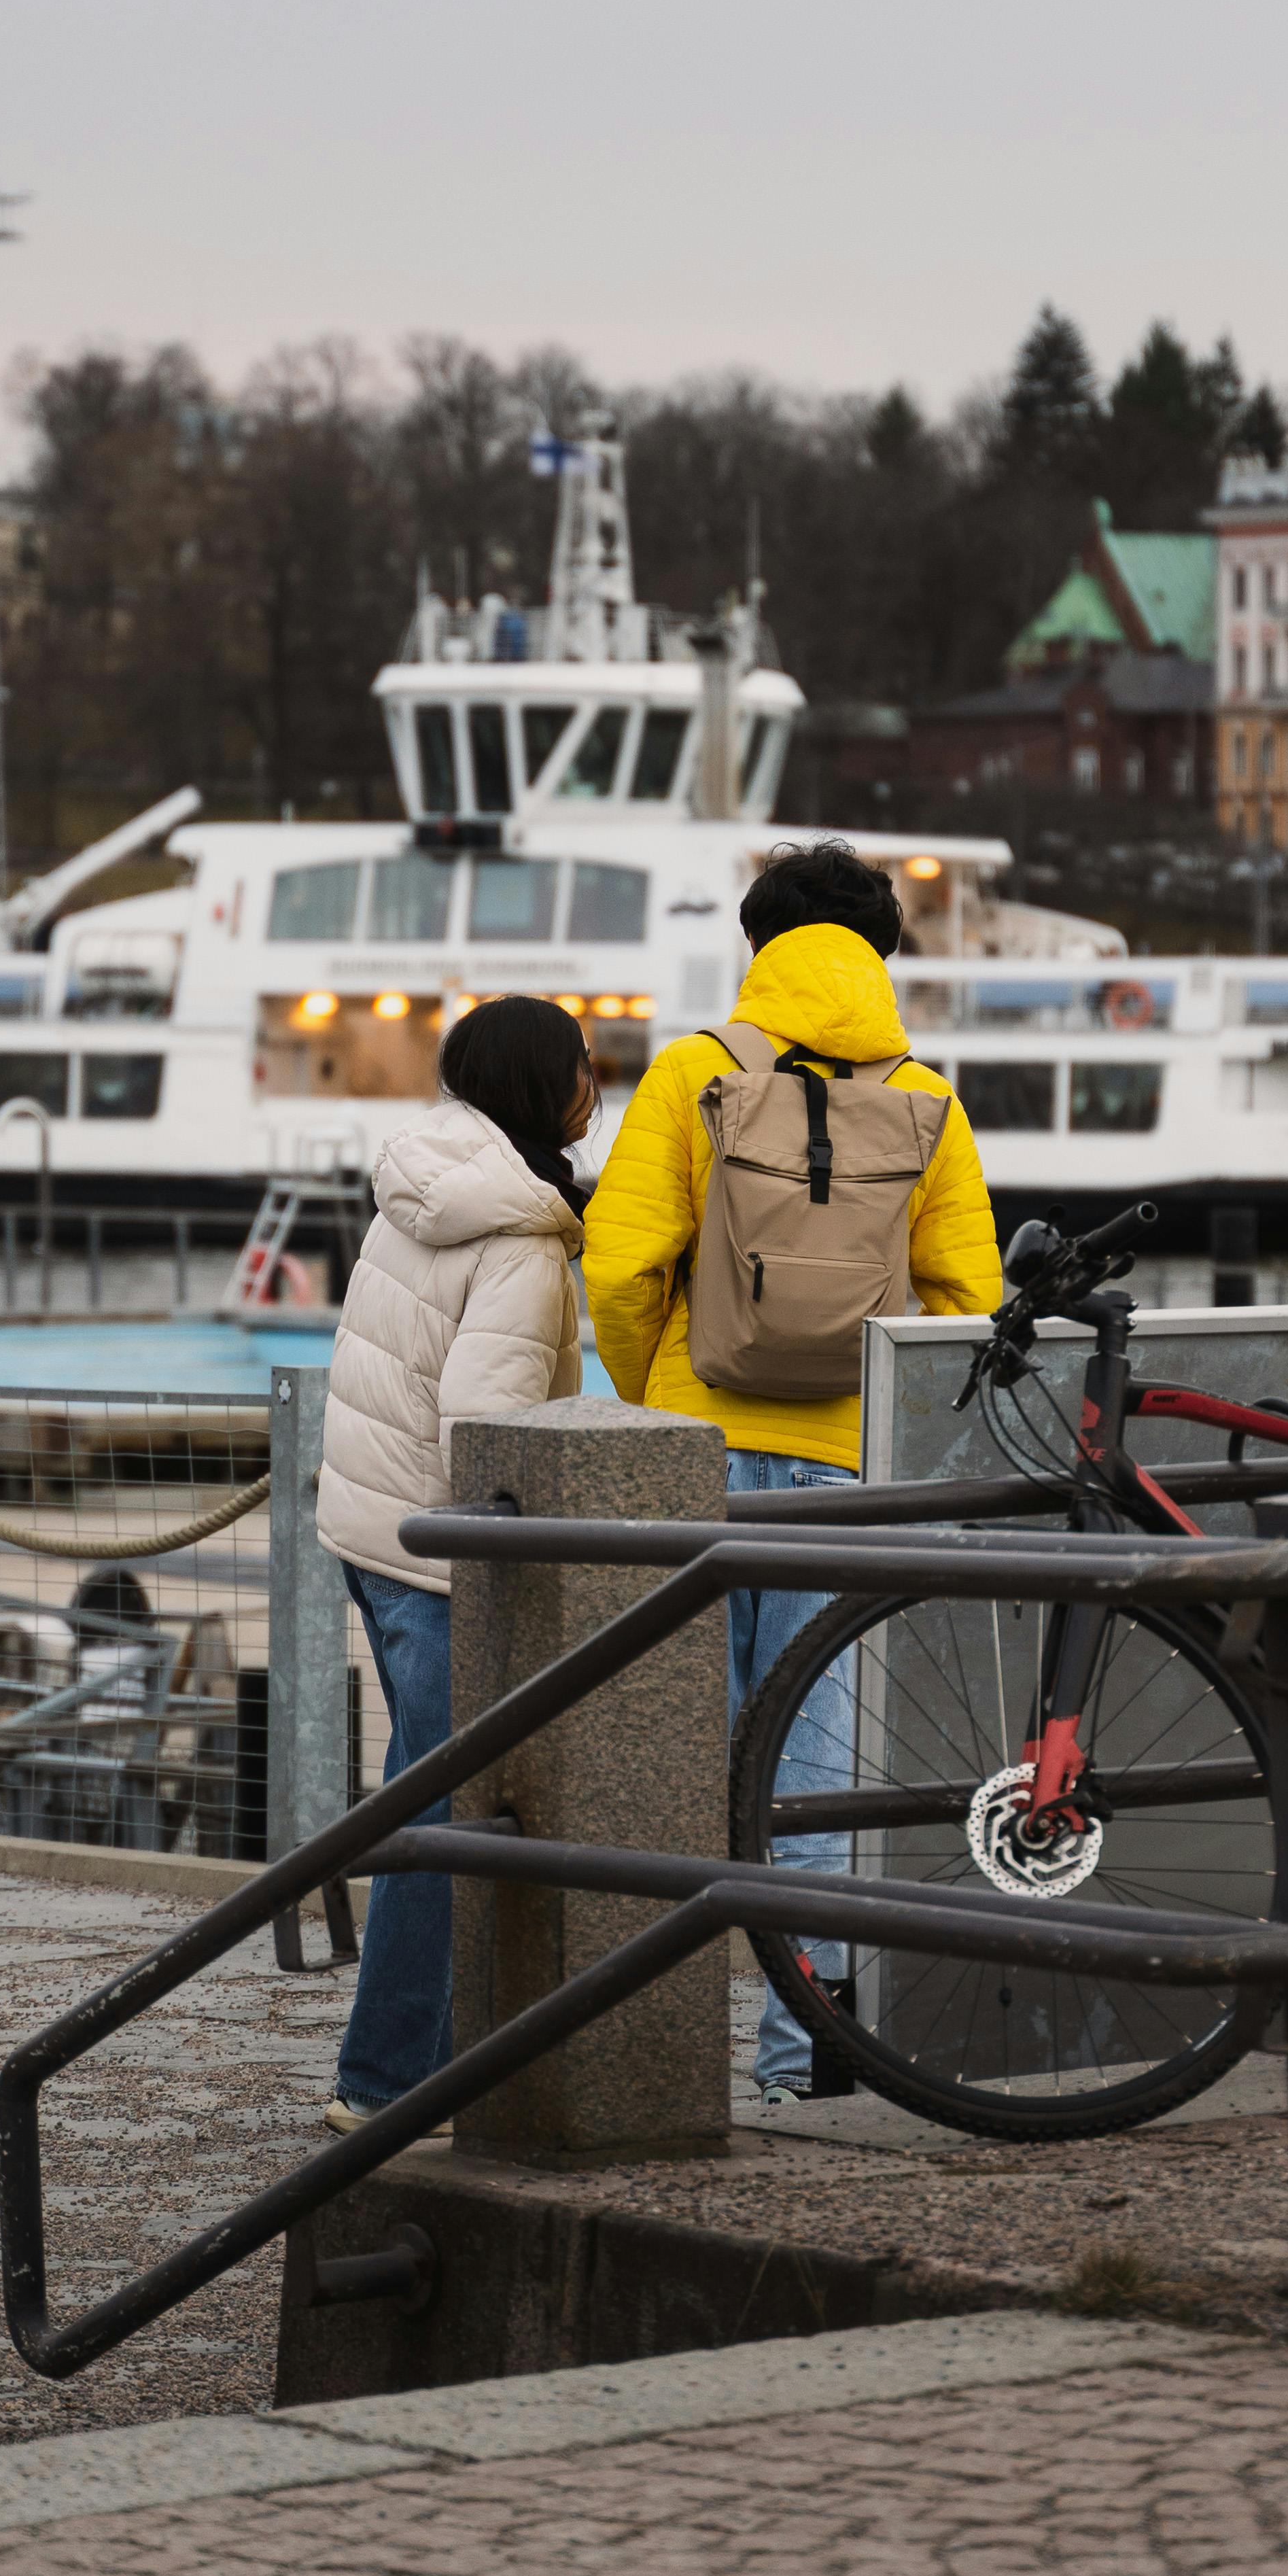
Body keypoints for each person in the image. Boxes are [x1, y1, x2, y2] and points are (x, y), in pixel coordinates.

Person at [582, 838, 1002, 2100]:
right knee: (811, 1774)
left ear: (758, 946)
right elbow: (964, 1299)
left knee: (661, 1759)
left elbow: (617, 1268)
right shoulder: (929, 1094)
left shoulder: (694, 1072)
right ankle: (799, 2063)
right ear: (879, 952)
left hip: (690, 1457)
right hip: (849, 1463)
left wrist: (653, 1395)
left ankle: (637, 2065)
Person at [312, 996, 596, 2131]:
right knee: (433, 1822)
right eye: (583, 1066)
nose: (595, 1085)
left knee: (425, 1800)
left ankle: (423, 2063)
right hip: (439, 1554)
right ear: (543, 1084)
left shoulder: (427, 1180)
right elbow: (485, 1427)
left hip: (373, 1534)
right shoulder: (523, 1231)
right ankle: (383, 2085)